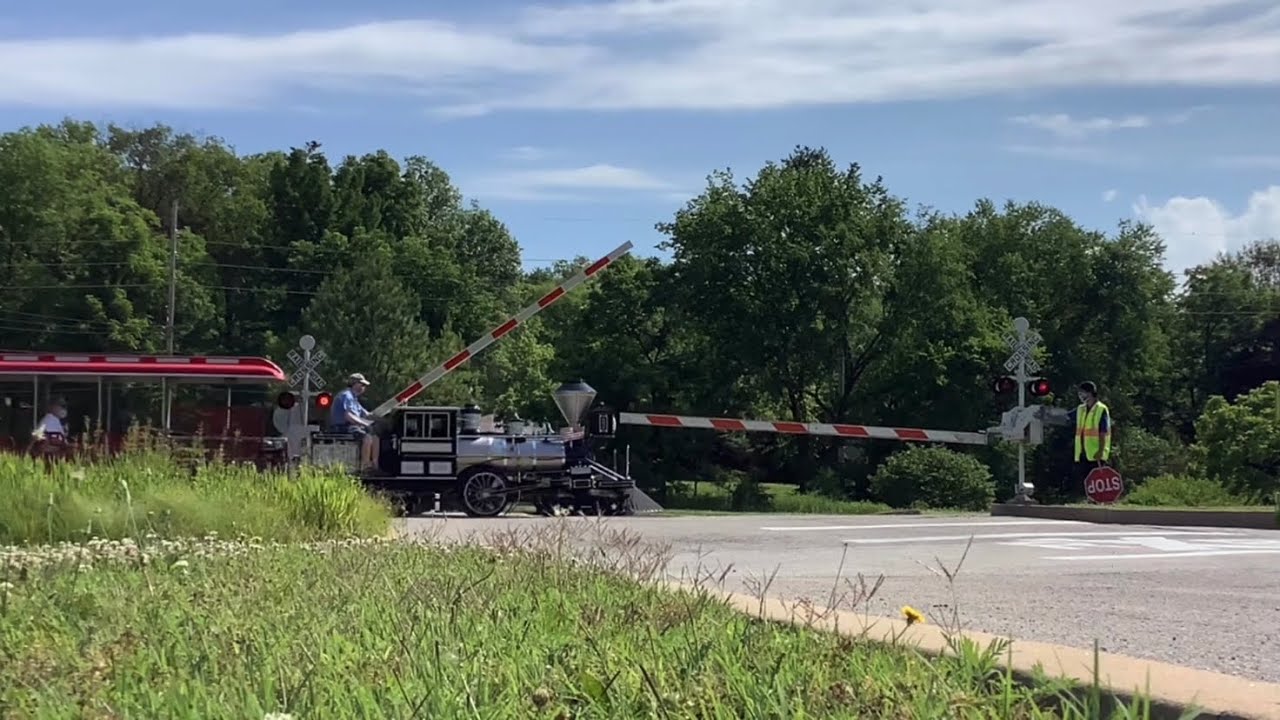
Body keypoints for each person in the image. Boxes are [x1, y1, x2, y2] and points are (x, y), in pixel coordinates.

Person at [1066, 381, 1111, 491]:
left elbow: (1103, 432)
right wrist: (1047, 415)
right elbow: (1066, 417)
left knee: (1097, 479)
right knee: (1085, 480)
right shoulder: (1081, 409)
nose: (1080, 396)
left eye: (1082, 393)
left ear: (1090, 393)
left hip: (1096, 453)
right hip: (1082, 452)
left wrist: (1100, 450)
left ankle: (1099, 500)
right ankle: (1089, 499)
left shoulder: (1101, 409)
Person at [330, 373, 379, 471]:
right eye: (362, 384)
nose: (364, 387)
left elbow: (368, 415)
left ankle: (375, 464)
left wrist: (386, 413)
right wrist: (365, 424)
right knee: (367, 437)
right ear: (354, 384)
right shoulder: (346, 396)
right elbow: (348, 416)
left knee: (375, 436)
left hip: (352, 426)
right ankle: (365, 466)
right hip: (342, 426)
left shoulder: (354, 398)